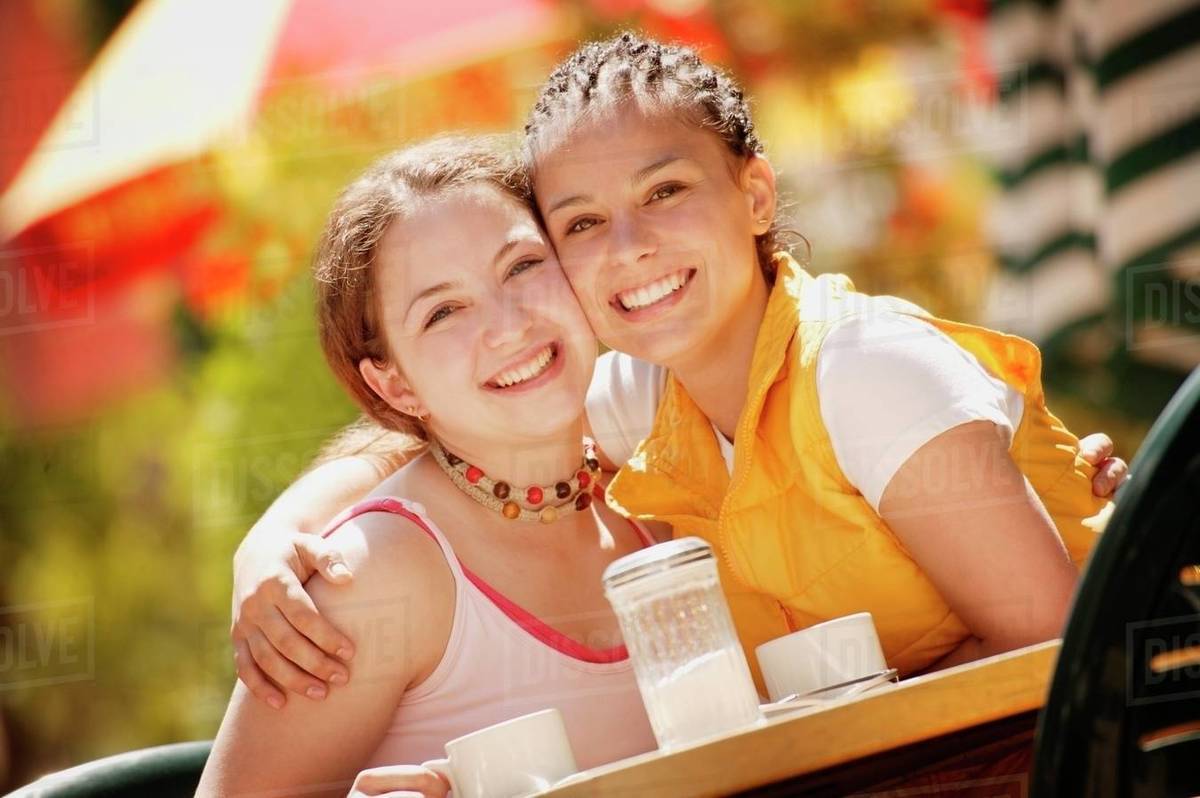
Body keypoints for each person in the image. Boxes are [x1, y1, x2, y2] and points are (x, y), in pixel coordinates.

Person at [227, 34, 1130, 713]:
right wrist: (272, 540)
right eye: (580, 224)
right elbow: (449, 435)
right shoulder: (648, 397)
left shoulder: (863, 372)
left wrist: (821, 724)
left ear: (756, 194)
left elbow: (1058, 650)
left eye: (665, 192)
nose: (631, 249)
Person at [196, 137, 658, 798]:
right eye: (444, 312)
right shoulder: (374, 578)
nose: (509, 325)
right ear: (395, 387)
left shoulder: (655, 485)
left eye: (523, 265)